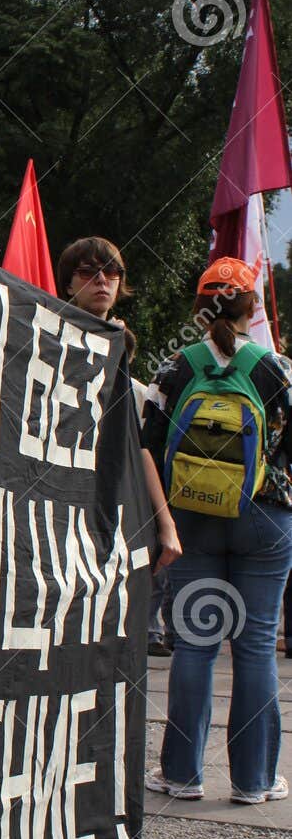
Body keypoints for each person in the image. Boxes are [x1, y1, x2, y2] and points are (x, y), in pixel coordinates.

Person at [141, 258, 292, 804]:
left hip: (192, 518)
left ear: (201, 308)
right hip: (265, 517)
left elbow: (148, 447)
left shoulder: (175, 367)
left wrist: (163, 523)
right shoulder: (278, 369)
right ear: (253, 308)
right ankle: (254, 782)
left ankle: (181, 775)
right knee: (254, 647)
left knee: (195, 645)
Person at [56, 235, 181, 576]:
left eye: (112, 271)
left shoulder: (130, 382)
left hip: (106, 515)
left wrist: (165, 523)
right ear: (68, 284)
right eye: (87, 271)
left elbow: (138, 449)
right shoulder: (48, 351)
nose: (101, 279)